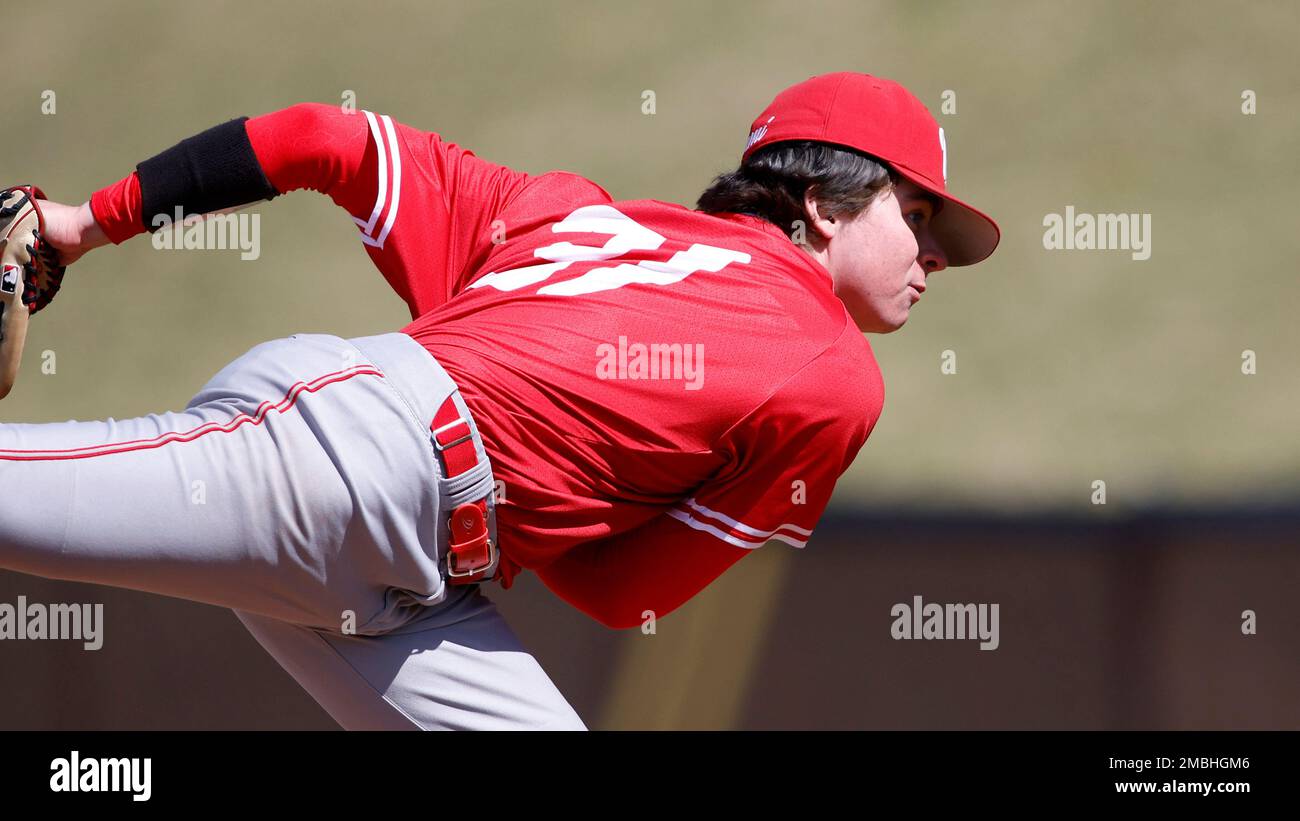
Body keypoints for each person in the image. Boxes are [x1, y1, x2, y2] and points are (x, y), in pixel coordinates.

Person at [0, 72, 999, 730]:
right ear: (822, 204)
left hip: (405, 570)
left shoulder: (570, 217)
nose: (937, 254)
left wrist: (85, 225)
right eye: (915, 213)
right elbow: (621, 594)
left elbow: (322, 136)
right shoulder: (832, 374)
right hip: (355, 465)